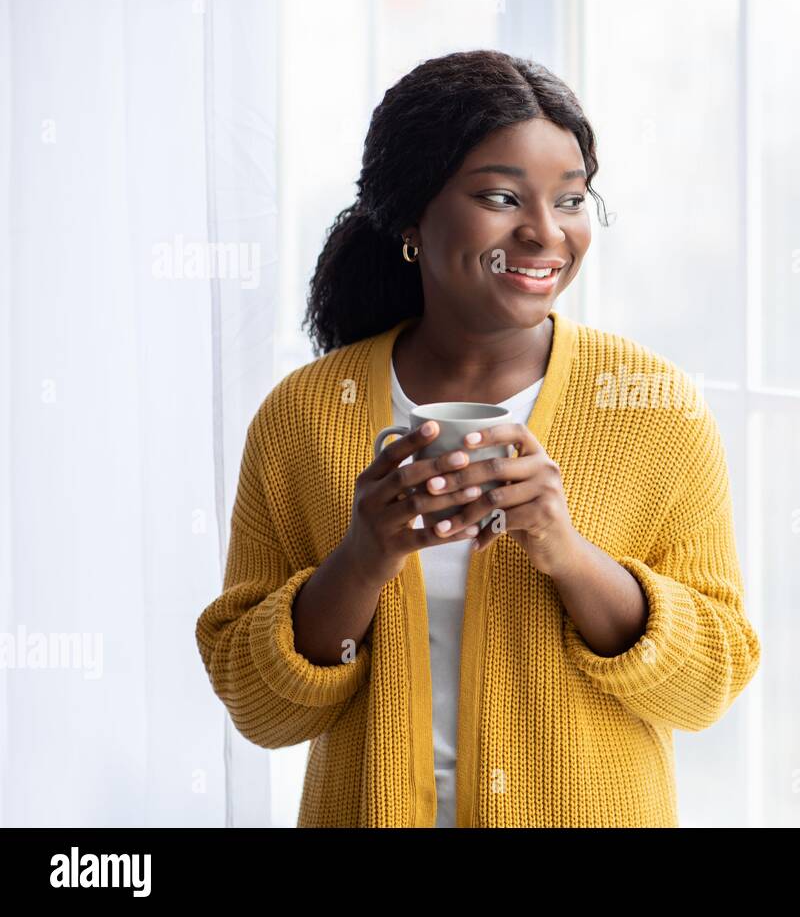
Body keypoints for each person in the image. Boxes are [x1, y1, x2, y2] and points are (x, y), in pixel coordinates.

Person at [194, 49, 761, 827]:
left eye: (569, 200)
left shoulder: (654, 408)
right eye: (500, 197)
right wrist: (364, 558)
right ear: (410, 219)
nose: (543, 233)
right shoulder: (305, 415)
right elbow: (260, 709)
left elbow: (709, 685)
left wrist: (567, 552)